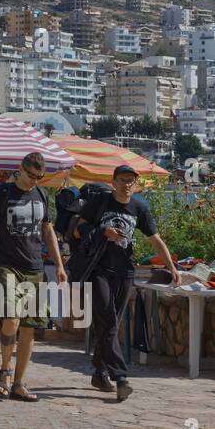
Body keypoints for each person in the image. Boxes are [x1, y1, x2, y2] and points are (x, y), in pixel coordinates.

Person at [70, 164, 180, 402]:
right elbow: (78, 230)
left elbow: (155, 239)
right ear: (113, 182)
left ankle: (99, 371)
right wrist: (103, 231)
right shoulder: (100, 202)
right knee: (108, 321)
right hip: (98, 268)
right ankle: (121, 377)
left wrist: (171, 266)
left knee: (110, 324)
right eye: (122, 180)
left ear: (136, 183)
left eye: (131, 180)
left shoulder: (140, 207)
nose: (126, 184)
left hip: (125, 272)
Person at [0, 152, 67, 403]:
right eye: (31, 176)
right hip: (7, 265)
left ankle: (19, 383)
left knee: (29, 328)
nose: (34, 181)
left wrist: (59, 265)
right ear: (20, 169)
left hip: (35, 267)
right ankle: (4, 370)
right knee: (11, 319)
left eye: (39, 177)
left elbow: (48, 232)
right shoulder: (3, 193)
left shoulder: (42, 195)